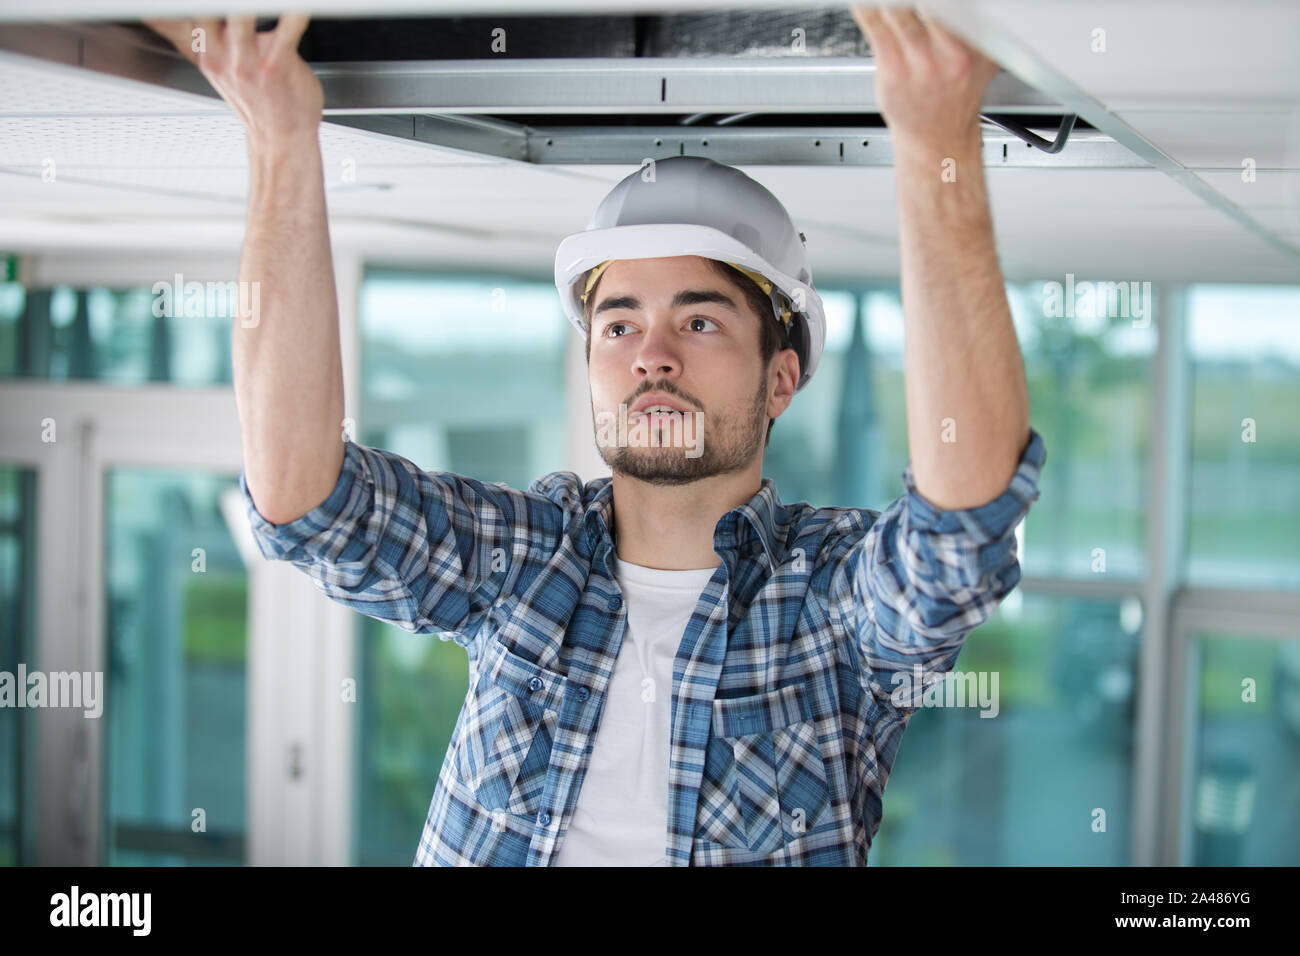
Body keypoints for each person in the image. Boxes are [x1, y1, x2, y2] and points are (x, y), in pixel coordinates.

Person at [145, 5, 1045, 866]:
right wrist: (279, 139)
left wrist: (936, 145)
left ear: (781, 379)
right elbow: (304, 499)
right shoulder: (530, 560)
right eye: (618, 325)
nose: (651, 356)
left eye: (698, 324)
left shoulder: (831, 608)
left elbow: (957, 533)